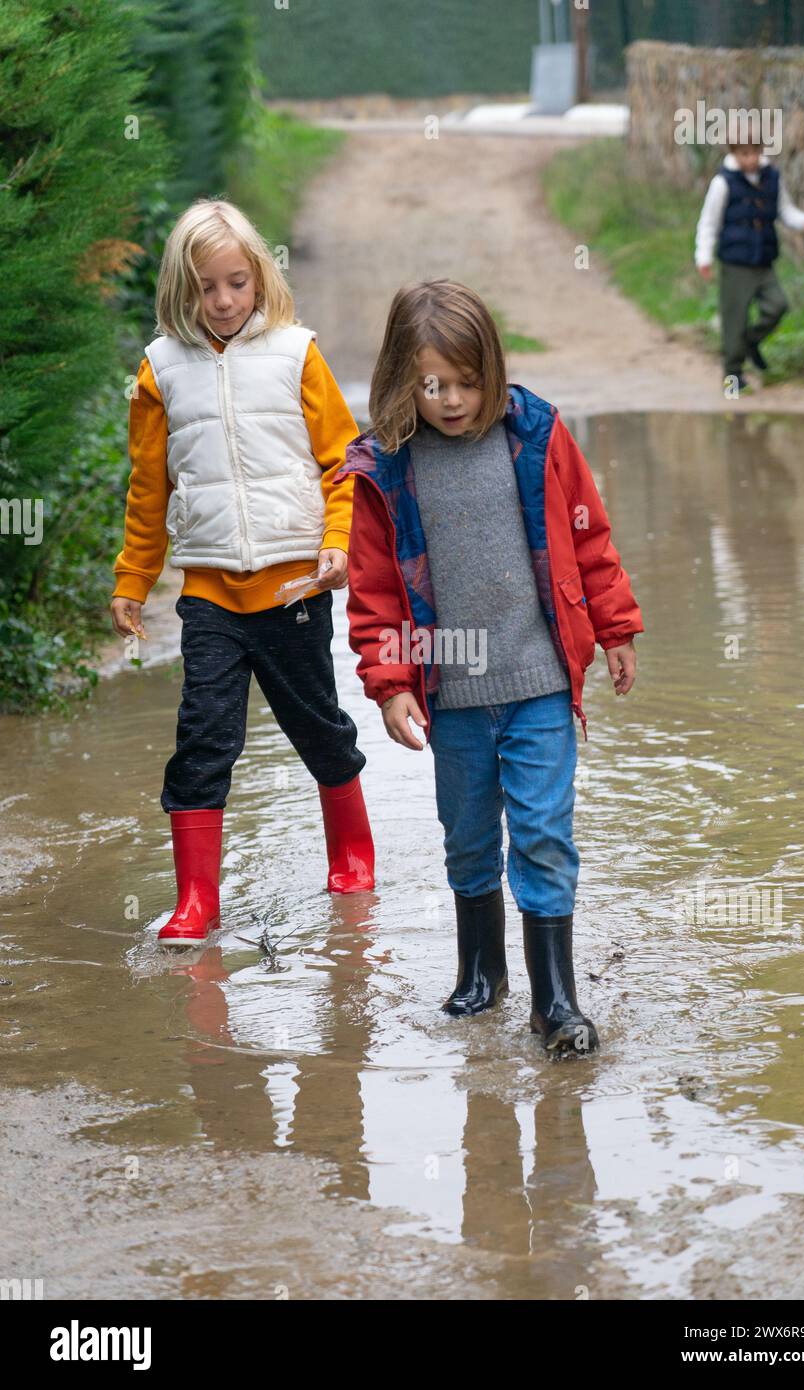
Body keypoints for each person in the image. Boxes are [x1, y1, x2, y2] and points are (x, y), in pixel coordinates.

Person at [337, 280, 643, 1055]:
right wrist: (392, 683)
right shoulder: (389, 468)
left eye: (470, 382)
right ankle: (483, 970)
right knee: (469, 836)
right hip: (454, 693)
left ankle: (556, 1000)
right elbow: (374, 592)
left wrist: (615, 629)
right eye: (434, 383)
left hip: (539, 679)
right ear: (405, 378)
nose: (453, 400)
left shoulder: (535, 434)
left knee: (543, 833)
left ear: (494, 370)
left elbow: (591, 536)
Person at [110, 198, 374, 949]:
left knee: (318, 724)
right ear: (179, 290)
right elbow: (147, 488)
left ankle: (352, 856)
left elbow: (344, 462)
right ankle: (197, 900)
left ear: (260, 279)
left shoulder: (297, 353)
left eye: (236, 283)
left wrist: (336, 542)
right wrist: (134, 579)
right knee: (202, 740)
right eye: (204, 287)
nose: (223, 301)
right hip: (210, 597)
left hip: (293, 588)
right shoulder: (160, 370)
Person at [695, 137, 804, 391]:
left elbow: (785, 210)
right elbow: (709, 222)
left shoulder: (771, 178)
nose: (749, 159)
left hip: (763, 261)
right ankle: (732, 379)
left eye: (753, 153)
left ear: (761, 151)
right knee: (734, 321)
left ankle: (751, 342)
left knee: (777, 305)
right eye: (743, 154)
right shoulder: (723, 183)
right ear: (734, 154)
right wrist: (704, 256)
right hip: (735, 263)